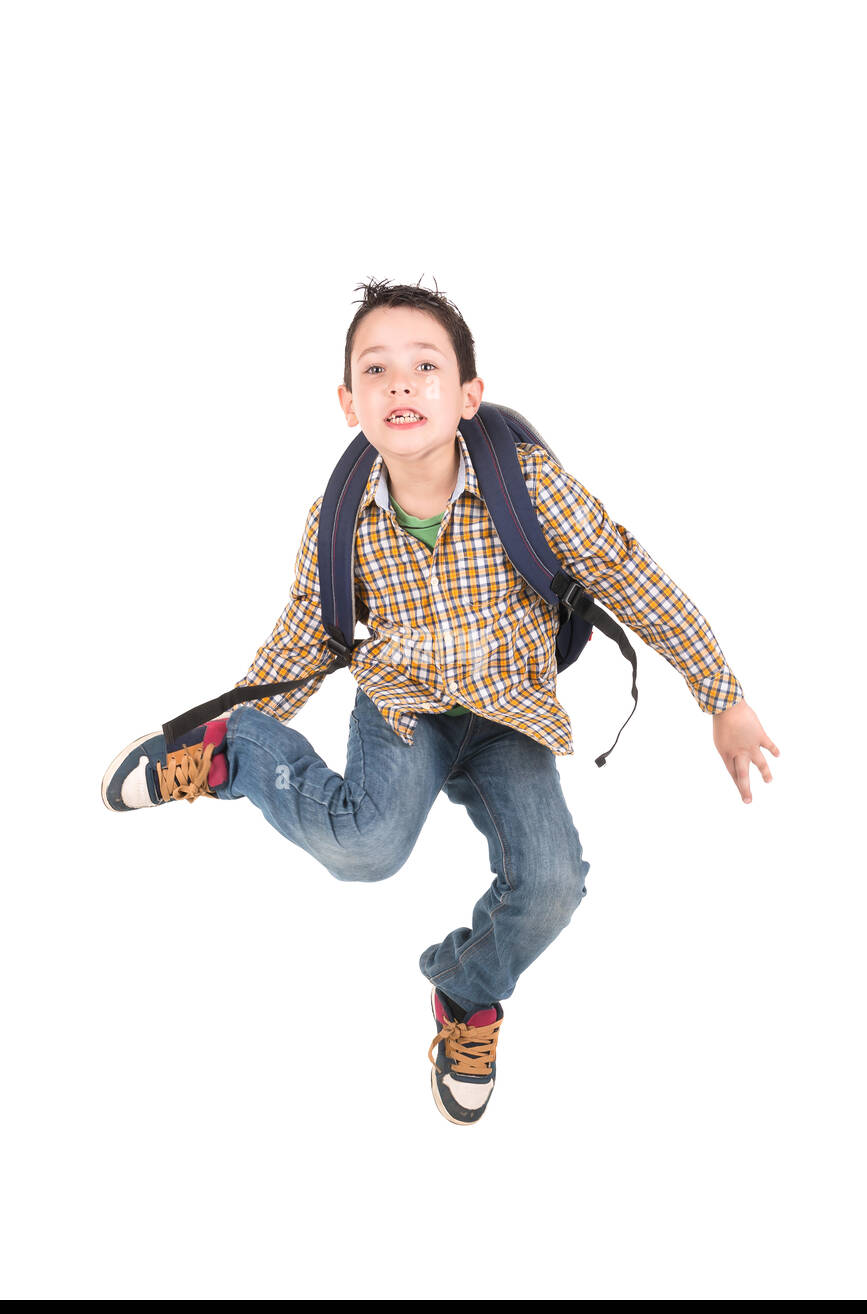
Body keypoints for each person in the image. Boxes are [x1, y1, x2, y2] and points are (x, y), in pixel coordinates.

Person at [101, 277, 779, 1126]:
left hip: (507, 716)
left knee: (552, 885)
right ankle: (236, 751)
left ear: (468, 395)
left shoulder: (529, 488)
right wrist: (260, 713)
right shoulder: (339, 518)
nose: (400, 383)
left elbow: (631, 578)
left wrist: (723, 697)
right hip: (403, 706)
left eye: (424, 366)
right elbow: (309, 636)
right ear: (349, 403)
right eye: (375, 370)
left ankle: (465, 992)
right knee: (365, 850)